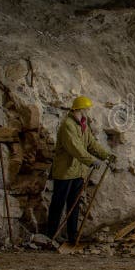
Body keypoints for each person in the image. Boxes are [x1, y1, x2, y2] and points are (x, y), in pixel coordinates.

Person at [47, 95, 116, 243]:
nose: (88, 110)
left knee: (74, 204)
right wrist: (91, 161)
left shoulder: (83, 125)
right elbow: (75, 148)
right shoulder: (68, 125)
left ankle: (72, 235)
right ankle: (50, 235)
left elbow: (91, 144)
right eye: (87, 108)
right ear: (80, 109)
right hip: (65, 172)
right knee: (58, 204)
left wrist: (107, 156)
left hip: (78, 172)